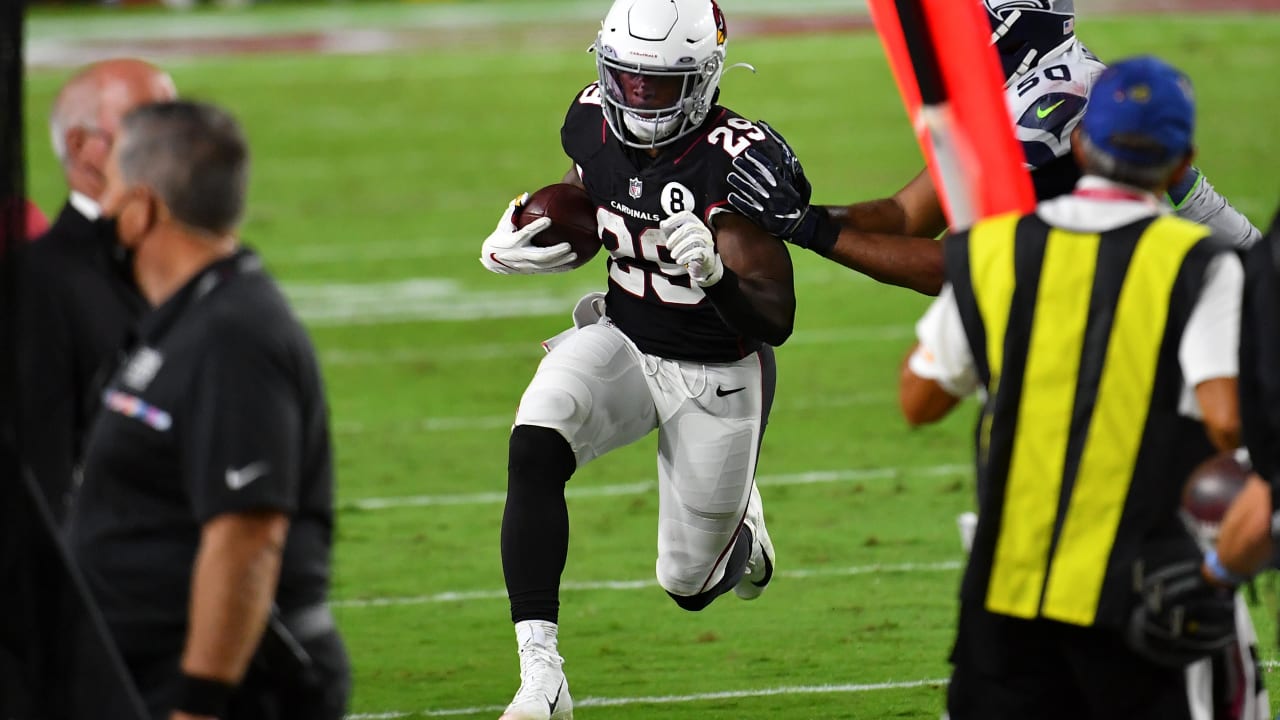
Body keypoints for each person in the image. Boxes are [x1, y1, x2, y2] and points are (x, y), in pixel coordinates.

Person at [899, 57, 1249, 718]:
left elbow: (919, 398)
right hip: (1137, 595)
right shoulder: (1200, 265)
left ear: (1082, 144)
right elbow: (1227, 420)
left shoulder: (997, 250)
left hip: (1004, 598)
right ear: (1183, 164)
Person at [479, 1, 797, 717]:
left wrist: (717, 276)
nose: (637, 99)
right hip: (623, 336)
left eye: (659, 85)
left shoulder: (739, 161)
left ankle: (742, 527)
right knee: (535, 443)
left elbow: (776, 317)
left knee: (688, 585)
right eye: (625, 79)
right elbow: (589, 195)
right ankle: (542, 676)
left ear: (707, 77)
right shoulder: (593, 117)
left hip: (717, 372)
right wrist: (531, 234)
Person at [67, 100, 349, 720]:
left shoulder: (232, 335)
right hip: (154, 672)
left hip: (225, 686)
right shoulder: (185, 315)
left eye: (112, 188)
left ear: (141, 209)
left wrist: (198, 703)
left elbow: (246, 537)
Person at [725, 0, 1261, 297]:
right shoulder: (1021, 89)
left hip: (1102, 322)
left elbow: (959, 269)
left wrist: (811, 230)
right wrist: (794, 214)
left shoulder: (1051, 106)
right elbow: (906, 216)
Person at [15, 57, 176, 521]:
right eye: (147, 133)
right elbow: (45, 464)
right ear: (81, 145)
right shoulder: (40, 281)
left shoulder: (190, 263)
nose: (172, 152)